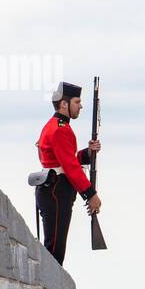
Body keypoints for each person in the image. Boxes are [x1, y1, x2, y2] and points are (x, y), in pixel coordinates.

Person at [34, 81, 102, 266]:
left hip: (53, 188)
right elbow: (70, 166)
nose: (80, 106)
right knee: (55, 253)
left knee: (55, 249)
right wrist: (90, 195)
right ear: (64, 104)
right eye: (77, 102)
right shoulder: (60, 130)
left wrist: (87, 153)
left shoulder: (55, 126)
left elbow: (66, 159)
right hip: (57, 190)